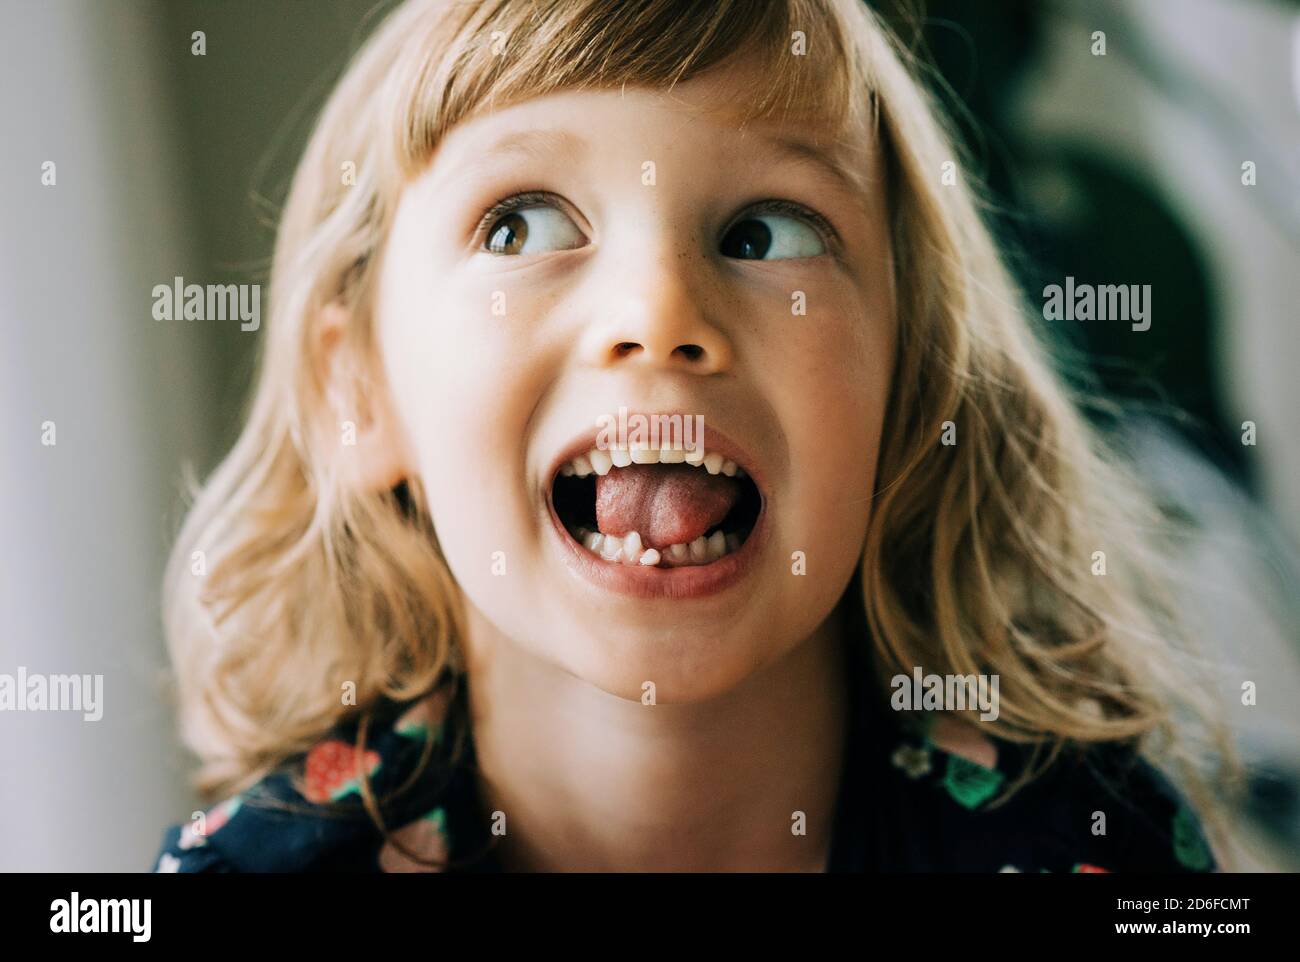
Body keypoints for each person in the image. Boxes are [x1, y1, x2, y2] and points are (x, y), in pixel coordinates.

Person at [152, 0, 1230, 873]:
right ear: (359, 389)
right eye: (520, 222)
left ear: (906, 378)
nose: (658, 311)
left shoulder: (1088, 849)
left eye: (766, 231)